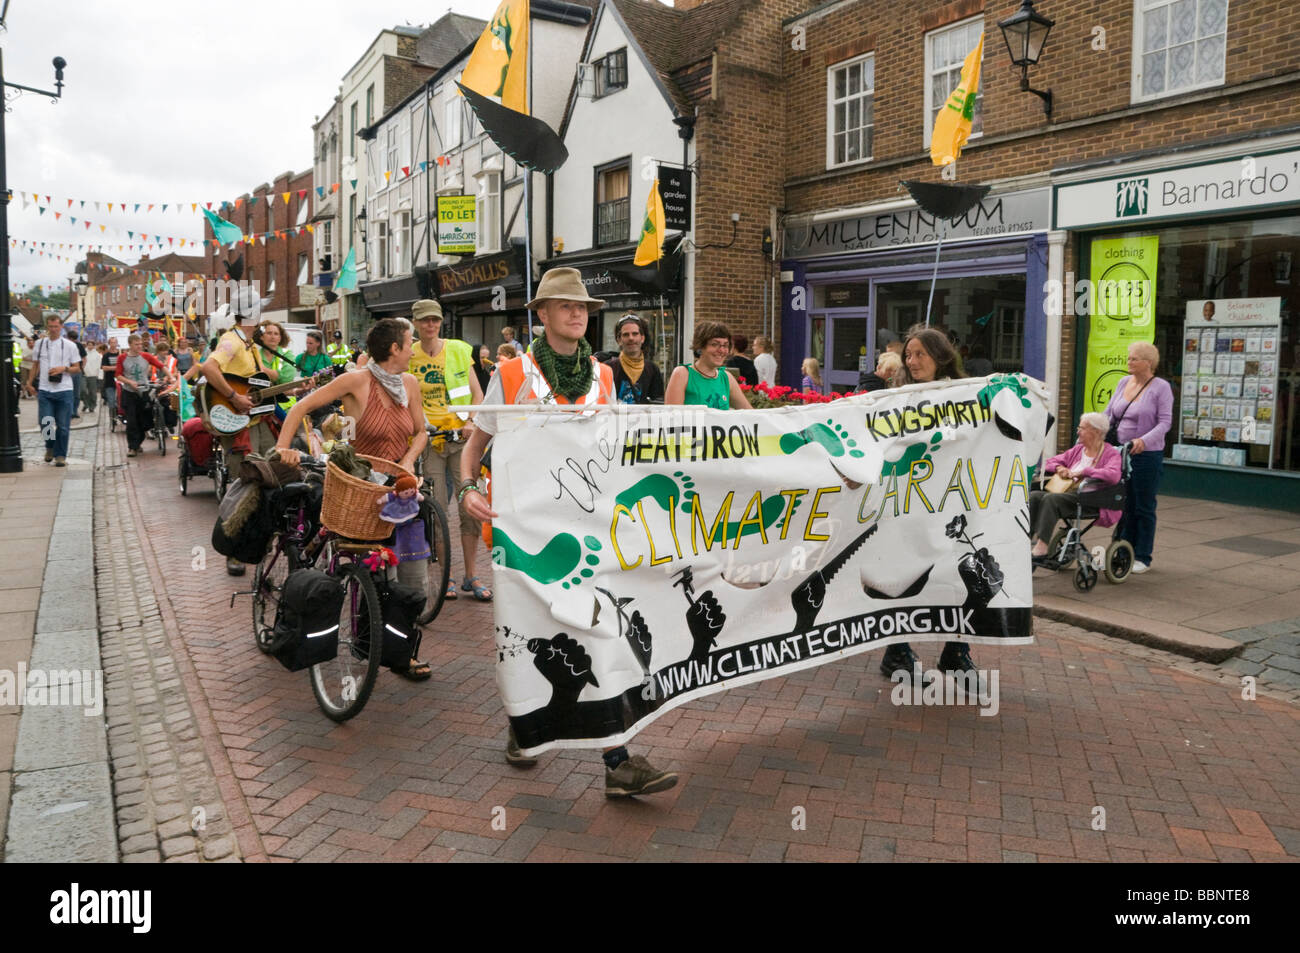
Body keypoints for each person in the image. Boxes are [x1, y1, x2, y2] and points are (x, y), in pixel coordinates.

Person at [460, 267, 676, 797]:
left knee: (598, 631)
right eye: (565, 306)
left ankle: (617, 762)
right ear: (542, 314)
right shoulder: (512, 374)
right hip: (524, 535)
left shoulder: (602, 376)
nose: (577, 314)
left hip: (586, 529)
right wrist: (466, 488)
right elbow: (475, 443)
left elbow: (609, 448)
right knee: (528, 636)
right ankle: (524, 726)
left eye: (582, 307)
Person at [275, 318, 431, 677]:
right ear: (395, 348)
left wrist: (407, 461)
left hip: (402, 489)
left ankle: (396, 650)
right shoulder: (355, 381)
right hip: (361, 488)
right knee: (371, 571)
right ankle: (353, 639)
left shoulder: (410, 384)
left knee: (412, 579)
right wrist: (283, 449)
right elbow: (300, 408)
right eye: (410, 343)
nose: (413, 348)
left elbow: (421, 431)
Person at [879, 326, 980, 677]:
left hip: (950, 504)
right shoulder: (900, 397)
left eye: (920, 353)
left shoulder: (965, 395)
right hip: (909, 504)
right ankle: (897, 650)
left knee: (957, 576)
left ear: (940, 357)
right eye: (909, 354)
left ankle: (956, 650)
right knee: (908, 576)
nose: (912, 360)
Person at [406, 299, 491, 604]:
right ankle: (447, 576)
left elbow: (477, 392)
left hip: (462, 440)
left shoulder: (457, 349)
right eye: (424, 320)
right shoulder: (409, 355)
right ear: (415, 323)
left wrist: (471, 420)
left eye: (435, 320)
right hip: (430, 442)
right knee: (438, 508)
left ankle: (472, 574)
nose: (430, 325)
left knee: (471, 506)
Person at [199, 286, 275, 575]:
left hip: (257, 420)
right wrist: (233, 396)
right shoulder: (231, 340)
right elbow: (209, 367)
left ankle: (257, 541)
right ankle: (232, 551)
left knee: (270, 474)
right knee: (241, 485)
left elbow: (256, 379)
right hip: (237, 422)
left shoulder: (250, 344)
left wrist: (289, 381)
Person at [1103, 341, 1172, 575]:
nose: (1129, 362)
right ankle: (1123, 550)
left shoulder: (1160, 387)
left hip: (1145, 455)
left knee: (1142, 505)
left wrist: (1144, 440)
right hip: (1118, 452)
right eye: (1129, 358)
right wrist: (1094, 429)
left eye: (1134, 359)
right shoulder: (1124, 382)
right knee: (1123, 503)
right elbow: (1109, 413)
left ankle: (1142, 555)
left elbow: (1165, 422)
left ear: (1148, 363)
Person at [1029, 413, 1123, 565]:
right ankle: (1024, 539)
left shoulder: (1110, 452)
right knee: (1034, 496)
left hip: (1091, 499)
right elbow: (1050, 462)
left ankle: (1042, 546)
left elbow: (1113, 476)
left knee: (1050, 499)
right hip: (1069, 494)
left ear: (1097, 432)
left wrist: (1085, 472)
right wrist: (1060, 468)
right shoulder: (1078, 450)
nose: (1078, 431)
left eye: (1082, 428)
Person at [24, 315, 81, 466]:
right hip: (45, 390)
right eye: (50, 327)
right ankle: (50, 446)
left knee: (63, 426)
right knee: (45, 423)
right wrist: (29, 383)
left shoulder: (70, 345)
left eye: (56, 327)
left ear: (61, 327)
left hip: (64, 390)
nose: (53, 330)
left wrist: (64, 368)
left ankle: (60, 455)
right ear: (47, 327)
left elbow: (78, 368)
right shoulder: (40, 344)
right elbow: (35, 365)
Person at [664, 322, 753, 409]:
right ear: (700, 346)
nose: (722, 350)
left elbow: (750, 414)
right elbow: (672, 418)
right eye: (714, 344)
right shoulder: (683, 374)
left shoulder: (726, 378)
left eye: (725, 345)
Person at [115, 333, 169, 459]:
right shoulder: (122, 358)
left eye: (140, 344)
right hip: (129, 392)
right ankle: (132, 447)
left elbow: (161, 366)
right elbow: (118, 375)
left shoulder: (146, 356)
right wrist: (129, 382)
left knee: (144, 420)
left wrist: (170, 377)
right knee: (132, 420)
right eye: (136, 344)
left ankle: (138, 441)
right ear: (130, 345)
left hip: (144, 391)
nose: (139, 346)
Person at [606, 314, 664, 404]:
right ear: (619, 340)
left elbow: (658, 404)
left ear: (642, 338)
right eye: (626, 335)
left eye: (635, 334)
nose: (631, 338)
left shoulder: (652, 369)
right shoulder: (607, 369)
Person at [67, 330, 87, 420]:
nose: (73, 341)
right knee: (69, 393)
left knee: (76, 393)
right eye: (72, 339)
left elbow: (84, 358)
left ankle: (74, 411)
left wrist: (81, 367)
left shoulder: (79, 346)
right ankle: (70, 411)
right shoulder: (65, 345)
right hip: (68, 371)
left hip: (77, 371)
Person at [82, 342, 103, 414]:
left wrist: (99, 376)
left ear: (94, 346)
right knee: (83, 390)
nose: (90, 346)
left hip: (93, 375)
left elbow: (100, 366)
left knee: (93, 392)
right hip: (84, 375)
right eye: (88, 345)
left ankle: (92, 406)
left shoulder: (97, 355)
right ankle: (86, 403)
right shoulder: (83, 353)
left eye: (91, 345)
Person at [102, 338, 120, 416]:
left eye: (115, 342)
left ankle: (119, 415)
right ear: (109, 344)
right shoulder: (106, 355)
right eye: (112, 343)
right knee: (111, 401)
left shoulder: (120, 354)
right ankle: (113, 417)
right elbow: (104, 367)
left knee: (119, 401)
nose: (113, 344)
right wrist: (115, 368)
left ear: (117, 343)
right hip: (109, 381)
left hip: (120, 380)